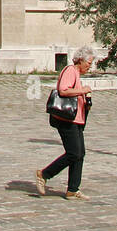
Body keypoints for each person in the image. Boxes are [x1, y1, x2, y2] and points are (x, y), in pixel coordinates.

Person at [37, 47, 94, 200]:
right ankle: (44, 174)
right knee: (73, 153)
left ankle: (73, 189)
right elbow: (63, 91)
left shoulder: (77, 73)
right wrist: (83, 90)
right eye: (89, 63)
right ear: (80, 60)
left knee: (80, 154)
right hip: (67, 119)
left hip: (77, 119)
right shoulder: (70, 70)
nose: (90, 66)